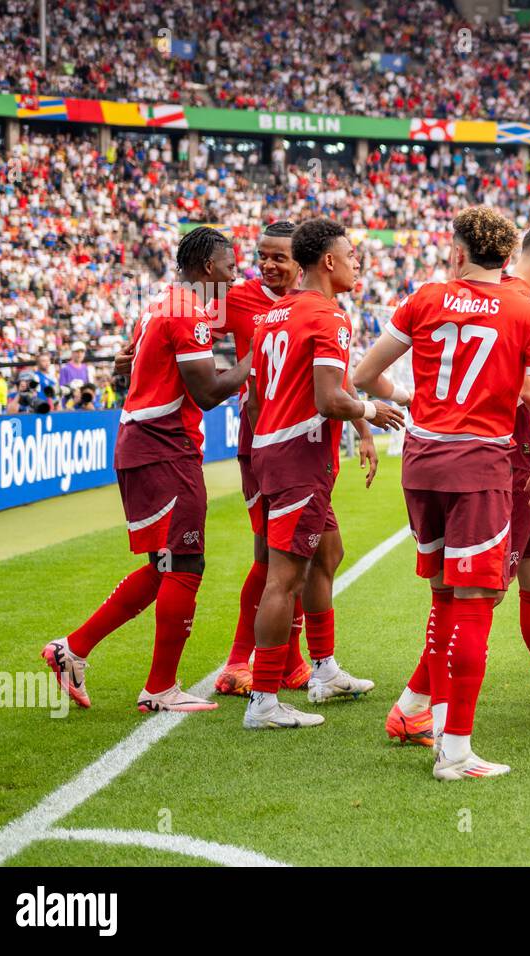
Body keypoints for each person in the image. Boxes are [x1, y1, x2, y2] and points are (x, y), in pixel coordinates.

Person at [381, 220, 530, 745]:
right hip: (502, 465)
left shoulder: (524, 305)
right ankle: (418, 707)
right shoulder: (513, 300)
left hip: (521, 461)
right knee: (476, 595)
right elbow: (525, 396)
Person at [354, 206, 530, 779]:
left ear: (457, 252)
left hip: (422, 462)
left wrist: (407, 400)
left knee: (446, 595)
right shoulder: (524, 308)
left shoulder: (426, 297)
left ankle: (420, 713)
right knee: (475, 602)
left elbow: (362, 375)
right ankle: (455, 752)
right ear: (506, 257)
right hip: (478, 466)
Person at [43, 227, 252, 712]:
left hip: (144, 442)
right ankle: (160, 689)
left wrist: (130, 367)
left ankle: (70, 650)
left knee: (164, 566)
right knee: (185, 562)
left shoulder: (161, 298)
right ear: (207, 269)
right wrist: (252, 359)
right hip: (163, 447)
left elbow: (131, 360)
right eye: (229, 265)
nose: (234, 274)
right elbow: (205, 392)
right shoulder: (189, 311)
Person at [243, 219, 404, 730]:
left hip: (273, 450)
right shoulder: (329, 317)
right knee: (283, 577)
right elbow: (329, 397)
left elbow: (253, 401)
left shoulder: (272, 314)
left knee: (328, 552)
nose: (359, 263)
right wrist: (371, 413)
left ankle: (325, 669)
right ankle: (263, 700)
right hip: (299, 457)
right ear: (328, 262)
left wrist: (271, 437)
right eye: (352, 254)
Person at [213, 221, 327, 697]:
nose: (268, 264)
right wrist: (140, 345)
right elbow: (182, 319)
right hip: (262, 446)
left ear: (301, 263)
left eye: (279, 257)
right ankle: (239, 662)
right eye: (262, 256)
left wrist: (360, 429)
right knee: (270, 557)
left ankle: (295, 662)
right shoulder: (238, 299)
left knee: (311, 552)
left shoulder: (314, 306)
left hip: (307, 448)